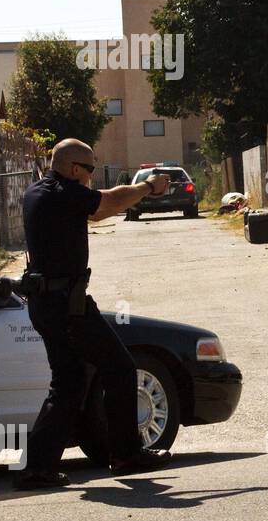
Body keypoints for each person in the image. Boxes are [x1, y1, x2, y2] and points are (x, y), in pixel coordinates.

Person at [14, 138, 176, 490]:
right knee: (119, 367)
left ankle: (37, 467)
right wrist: (148, 187)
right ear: (75, 169)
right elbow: (107, 204)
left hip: (46, 303)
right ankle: (126, 454)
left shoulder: (36, 191)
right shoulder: (64, 192)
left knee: (68, 382)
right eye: (89, 169)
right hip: (66, 305)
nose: (91, 176)